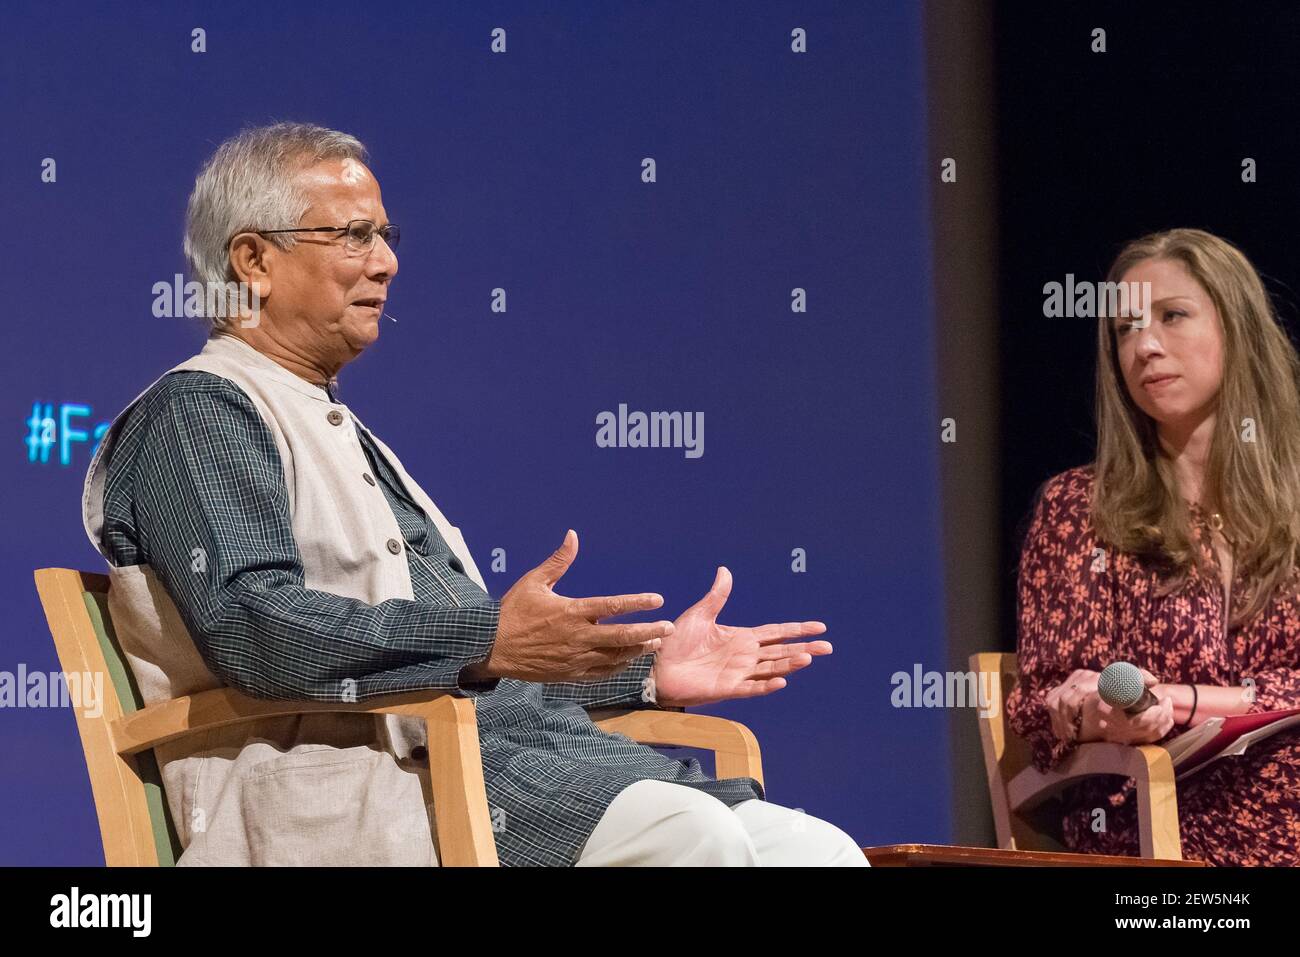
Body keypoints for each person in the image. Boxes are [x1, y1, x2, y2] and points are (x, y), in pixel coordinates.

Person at [82, 122, 867, 867]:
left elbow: (455, 655)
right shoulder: (198, 411)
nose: (386, 261)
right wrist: (487, 636)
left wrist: (646, 676)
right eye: (355, 234)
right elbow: (255, 627)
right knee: (690, 838)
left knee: (817, 850)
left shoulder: (335, 425)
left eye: (387, 236)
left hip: (507, 762)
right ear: (253, 259)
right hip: (367, 785)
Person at [1006, 228, 1300, 865]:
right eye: (1125, 331)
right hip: (1157, 805)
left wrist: (1189, 699)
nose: (1145, 346)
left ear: (1238, 328)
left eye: (1172, 317)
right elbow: (1040, 704)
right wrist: (1093, 711)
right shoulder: (1079, 507)